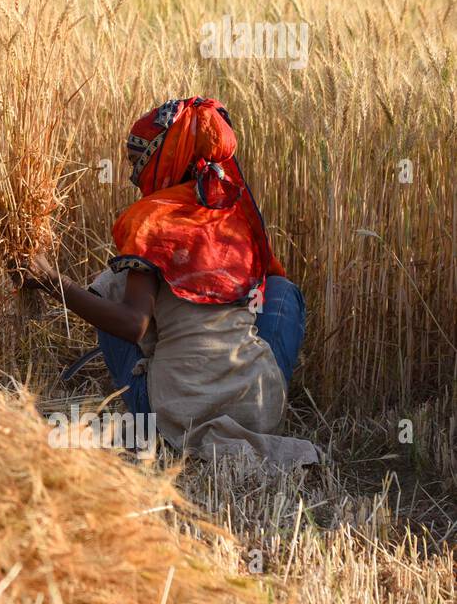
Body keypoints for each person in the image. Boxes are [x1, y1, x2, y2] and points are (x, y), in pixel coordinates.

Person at [18, 97, 318, 467]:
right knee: (283, 292)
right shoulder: (236, 213)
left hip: (176, 418)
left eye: (137, 161)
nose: (133, 175)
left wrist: (51, 281)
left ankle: (160, 405)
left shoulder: (151, 220)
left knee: (114, 289)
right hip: (260, 408)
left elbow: (133, 324)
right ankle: (249, 394)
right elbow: (264, 289)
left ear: (165, 157)